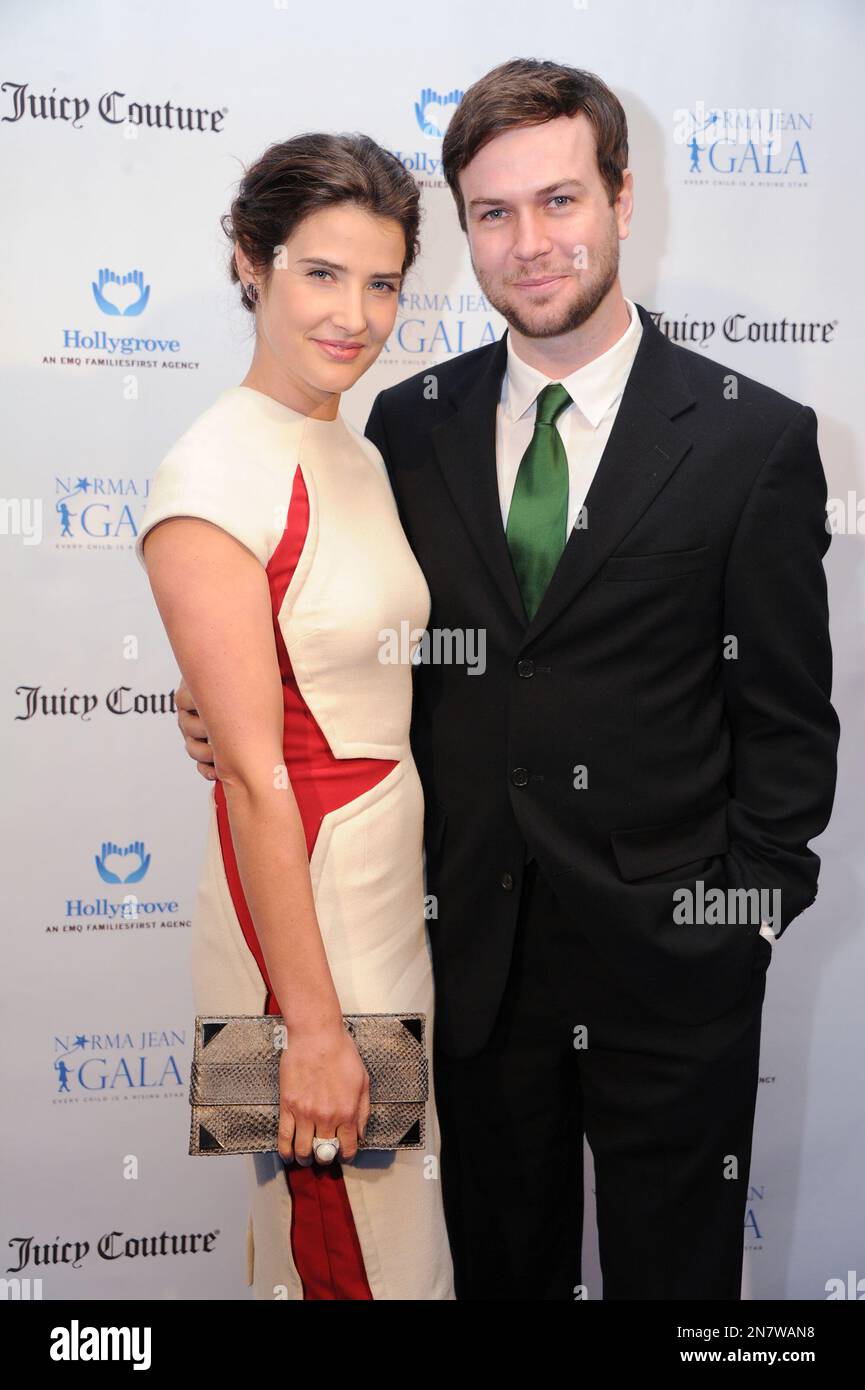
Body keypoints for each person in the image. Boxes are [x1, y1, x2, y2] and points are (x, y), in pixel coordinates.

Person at [175, 60, 839, 1300]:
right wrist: (221, 700)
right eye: (492, 212)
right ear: (466, 230)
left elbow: (791, 723)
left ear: (622, 201)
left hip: (670, 971)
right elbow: (344, 631)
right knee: (467, 1273)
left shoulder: (754, 438)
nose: (529, 244)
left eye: (559, 202)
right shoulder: (405, 424)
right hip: (453, 959)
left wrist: (737, 918)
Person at [135, 133, 455, 1301]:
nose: (356, 315)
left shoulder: (344, 445)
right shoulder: (209, 473)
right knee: (350, 1258)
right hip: (298, 929)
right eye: (322, 273)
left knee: (351, 1247)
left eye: (382, 283)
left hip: (369, 891)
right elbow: (257, 780)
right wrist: (310, 1031)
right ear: (249, 264)